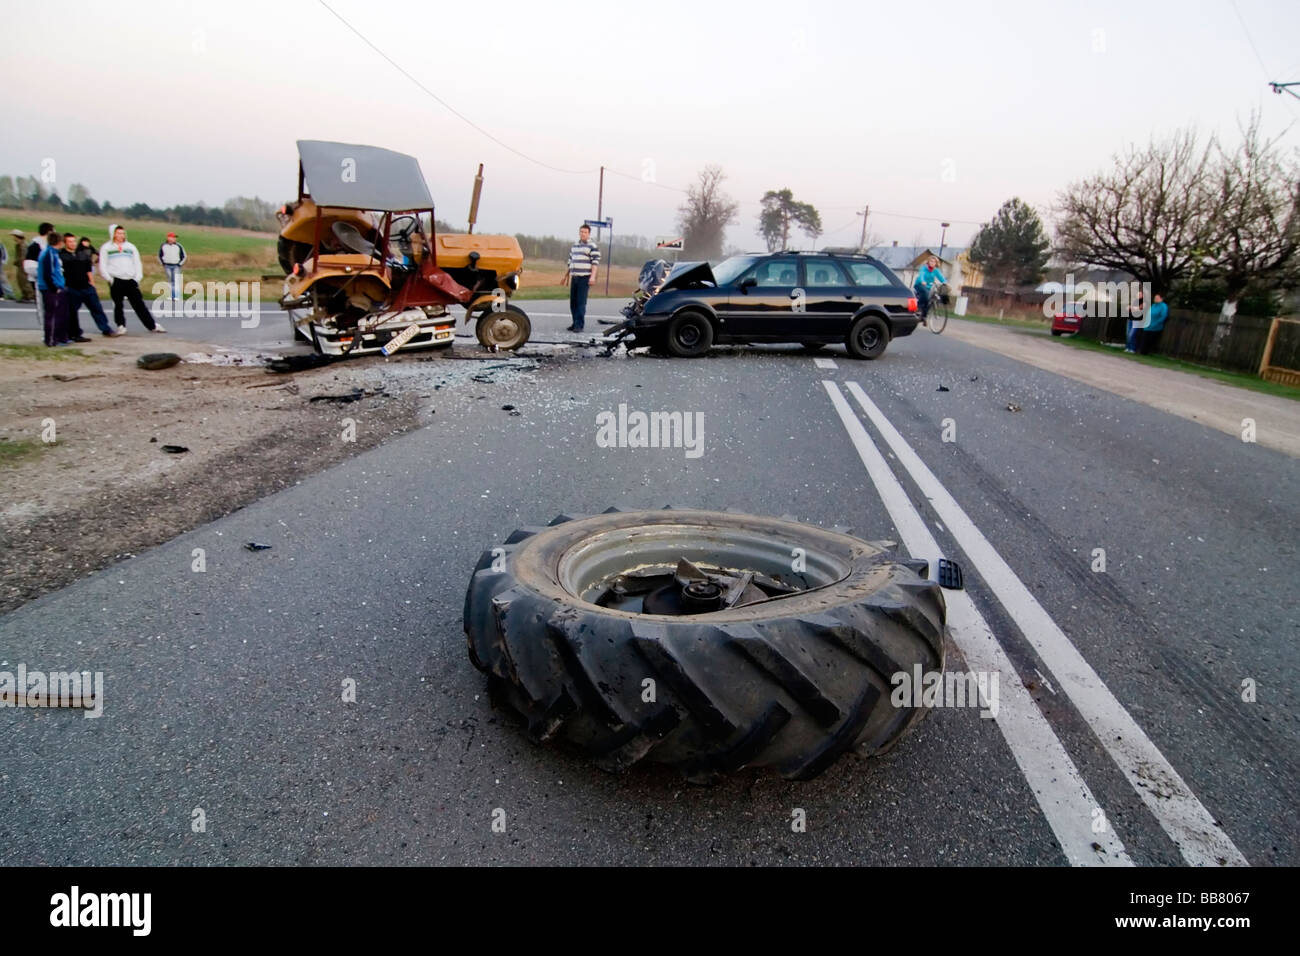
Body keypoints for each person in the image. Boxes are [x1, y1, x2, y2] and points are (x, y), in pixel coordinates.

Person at [100, 224, 164, 333]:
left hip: (130, 280)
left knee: (139, 304)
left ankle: (152, 325)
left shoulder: (130, 247)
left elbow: (137, 262)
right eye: (119, 233)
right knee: (118, 305)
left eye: (123, 233)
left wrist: (137, 277)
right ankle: (121, 325)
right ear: (113, 234)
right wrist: (109, 279)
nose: (121, 235)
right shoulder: (107, 248)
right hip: (116, 279)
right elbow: (103, 264)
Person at [61, 233, 114, 337]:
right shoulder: (62, 256)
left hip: (86, 286)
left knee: (97, 309)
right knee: (71, 312)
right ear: (65, 243)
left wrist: (92, 284)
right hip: (72, 288)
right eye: (70, 242)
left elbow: (88, 270)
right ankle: (72, 332)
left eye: (74, 241)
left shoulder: (82, 254)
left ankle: (106, 329)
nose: (73, 244)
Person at [561, 223, 600, 332]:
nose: (583, 234)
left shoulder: (592, 246)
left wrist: (592, 277)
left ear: (589, 234)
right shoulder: (575, 246)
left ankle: (579, 325)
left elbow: (595, 263)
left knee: (580, 302)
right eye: (581, 232)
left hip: (584, 277)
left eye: (585, 232)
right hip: (575, 277)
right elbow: (570, 262)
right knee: (573, 302)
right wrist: (566, 276)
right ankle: (574, 323)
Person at [35, 229, 70, 347]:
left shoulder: (54, 253)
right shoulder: (48, 254)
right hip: (50, 289)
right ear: (59, 242)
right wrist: (54, 288)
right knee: (52, 314)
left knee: (61, 314)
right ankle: (50, 339)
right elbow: (47, 273)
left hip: (59, 286)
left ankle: (60, 337)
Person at [25, 222, 54, 328]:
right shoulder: (35, 246)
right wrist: (45, 273)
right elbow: (28, 266)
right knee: (43, 307)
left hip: (51, 281)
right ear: (49, 232)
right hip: (39, 281)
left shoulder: (50, 246)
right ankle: (45, 330)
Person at [157, 231, 187, 310]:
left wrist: (180, 264)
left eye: (174, 237)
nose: (174, 239)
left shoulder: (179, 246)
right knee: (170, 281)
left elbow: (184, 256)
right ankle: (171, 295)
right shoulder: (163, 246)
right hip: (167, 265)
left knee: (176, 281)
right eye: (172, 237)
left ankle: (176, 296)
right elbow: (159, 255)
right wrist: (162, 263)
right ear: (168, 238)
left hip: (176, 265)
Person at [913, 255, 946, 324]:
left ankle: (924, 317)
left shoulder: (936, 270)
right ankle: (918, 307)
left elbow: (941, 277)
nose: (932, 263)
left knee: (930, 299)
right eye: (931, 261)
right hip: (919, 284)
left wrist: (945, 283)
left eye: (934, 262)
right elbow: (921, 275)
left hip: (929, 286)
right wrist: (922, 281)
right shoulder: (924, 268)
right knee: (925, 294)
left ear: (936, 263)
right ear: (928, 262)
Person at [11, 229, 33, 301]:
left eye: (14, 236)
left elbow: (23, 256)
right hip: (20, 265)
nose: (13, 238)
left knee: (24, 280)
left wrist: (18, 262)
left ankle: (29, 295)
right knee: (20, 280)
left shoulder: (23, 245)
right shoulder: (18, 245)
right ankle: (25, 294)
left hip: (23, 265)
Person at [0, 234, 12, 300]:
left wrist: (3, 262)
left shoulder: (1, 245)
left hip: (0, 264)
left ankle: (8, 294)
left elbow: (4, 255)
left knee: (2, 279)